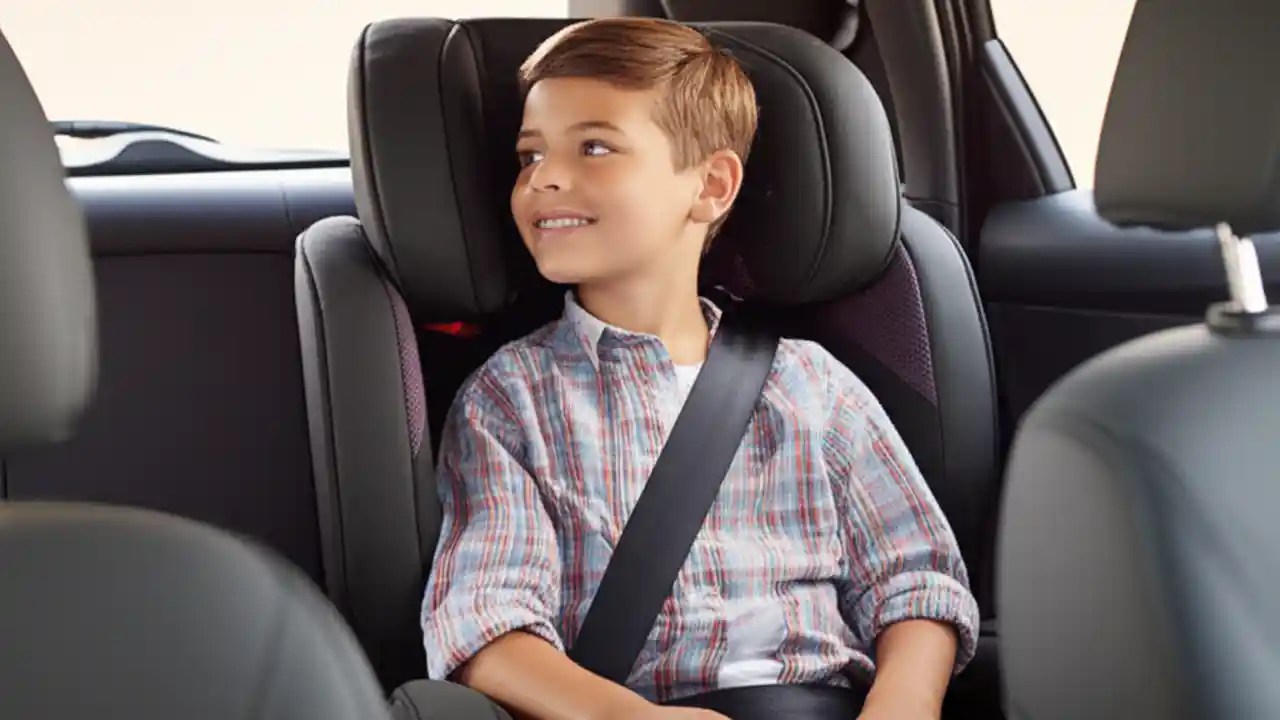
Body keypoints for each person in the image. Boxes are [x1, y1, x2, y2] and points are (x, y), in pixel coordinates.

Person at [420, 17, 980, 720]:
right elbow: (486, 627)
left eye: (594, 147)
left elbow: (916, 580)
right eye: (529, 157)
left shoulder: (814, 385)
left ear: (711, 185)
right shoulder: (513, 398)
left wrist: (902, 704)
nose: (546, 179)